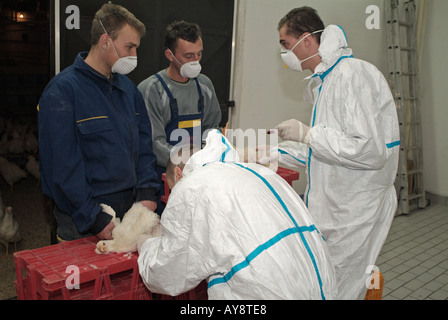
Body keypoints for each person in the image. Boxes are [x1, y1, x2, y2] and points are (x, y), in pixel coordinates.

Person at [271, 7, 400, 299]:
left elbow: (368, 149)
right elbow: (324, 150)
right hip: (335, 205)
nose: (283, 54)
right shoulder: (327, 80)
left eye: (284, 44)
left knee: (339, 288)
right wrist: (273, 154)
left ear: (305, 40)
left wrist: (308, 133)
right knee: (326, 282)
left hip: (354, 209)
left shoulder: (351, 75)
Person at [137, 130, 338, 300]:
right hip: (324, 284)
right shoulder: (257, 171)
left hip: (270, 291)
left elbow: (169, 272)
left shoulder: (193, 186)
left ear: (179, 174)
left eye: (173, 189)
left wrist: (145, 244)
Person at [38, 3, 159, 242]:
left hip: (128, 210)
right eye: (129, 47)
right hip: (83, 219)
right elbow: (61, 167)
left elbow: (145, 146)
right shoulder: (62, 92)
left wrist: (147, 191)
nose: (134, 56)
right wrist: (92, 217)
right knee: (84, 279)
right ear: (105, 41)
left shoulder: (128, 91)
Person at [137, 20, 222, 215]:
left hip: (198, 177)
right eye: (188, 56)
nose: (196, 61)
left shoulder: (205, 85)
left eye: (199, 54)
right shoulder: (152, 90)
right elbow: (154, 143)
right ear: (170, 55)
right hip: (163, 182)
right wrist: (189, 162)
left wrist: (204, 158)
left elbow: (212, 128)